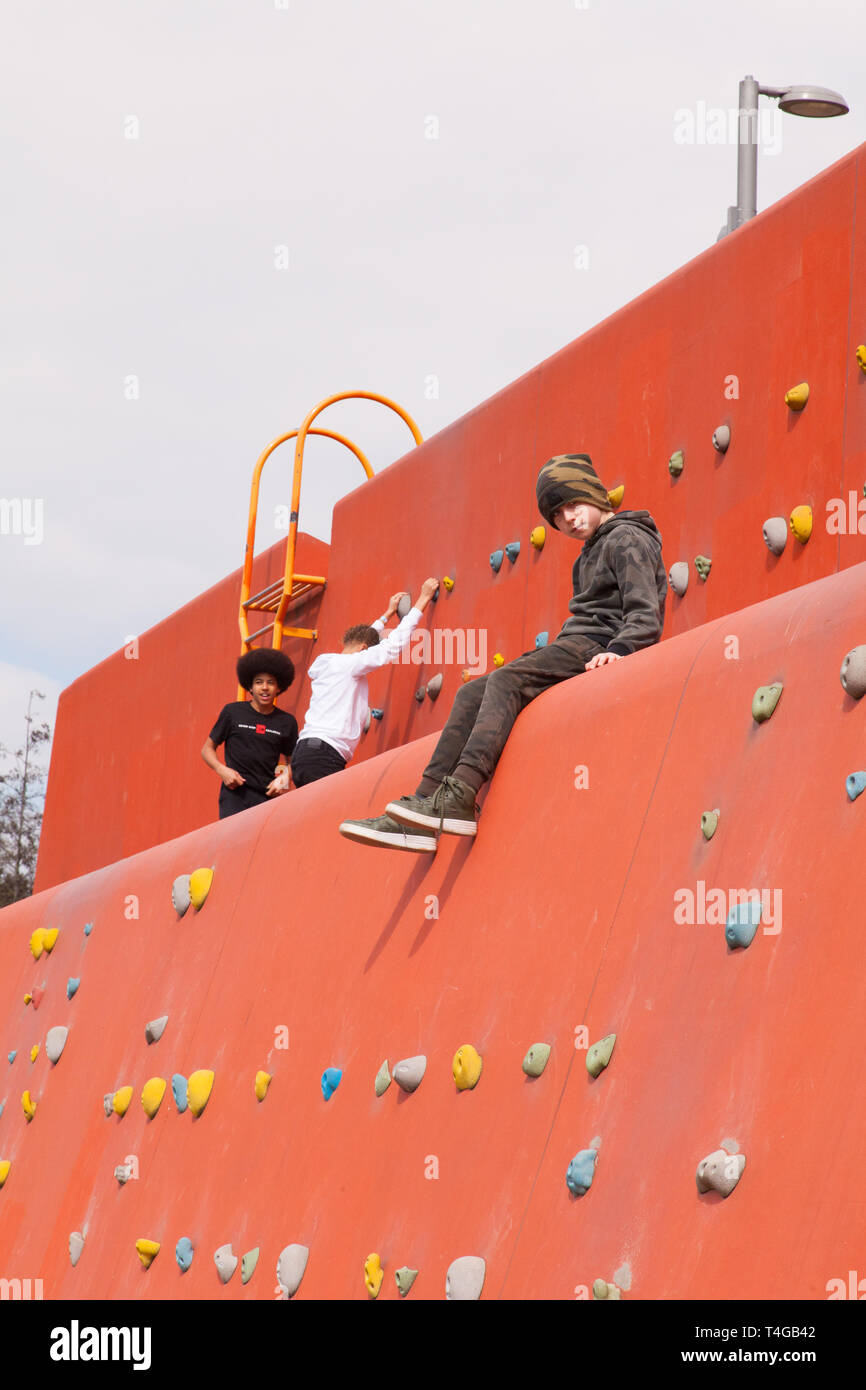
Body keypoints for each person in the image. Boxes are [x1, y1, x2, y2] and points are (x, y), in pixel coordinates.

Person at [339, 453, 667, 852]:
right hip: (576, 642)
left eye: (574, 504)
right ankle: (424, 806)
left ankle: (460, 795)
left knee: (508, 680)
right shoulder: (587, 555)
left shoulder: (627, 538)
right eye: (558, 515)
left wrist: (620, 650)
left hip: (597, 644)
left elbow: (644, 611)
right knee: (470, 692)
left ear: (595, 495)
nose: (569, 518)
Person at [287, 577, 440, 790]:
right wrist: (422, 599)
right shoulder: (350, 665)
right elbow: (390, 648)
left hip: (305, 754)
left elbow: (362, 642)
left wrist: (386, 616)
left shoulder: (328, 663)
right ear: (364, 649)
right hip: (324, 755)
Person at [202, 649, 298, 819]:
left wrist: (284, 778)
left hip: (266, 797)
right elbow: (207, 749)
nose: (265, 688)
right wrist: (222, 770)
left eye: (271, 682)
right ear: (250, 687)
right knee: (232, 841)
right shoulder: (232, 712)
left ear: (279, 687)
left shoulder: (286, 722)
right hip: (234, 795)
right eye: (259, 682)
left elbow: (293, 760)